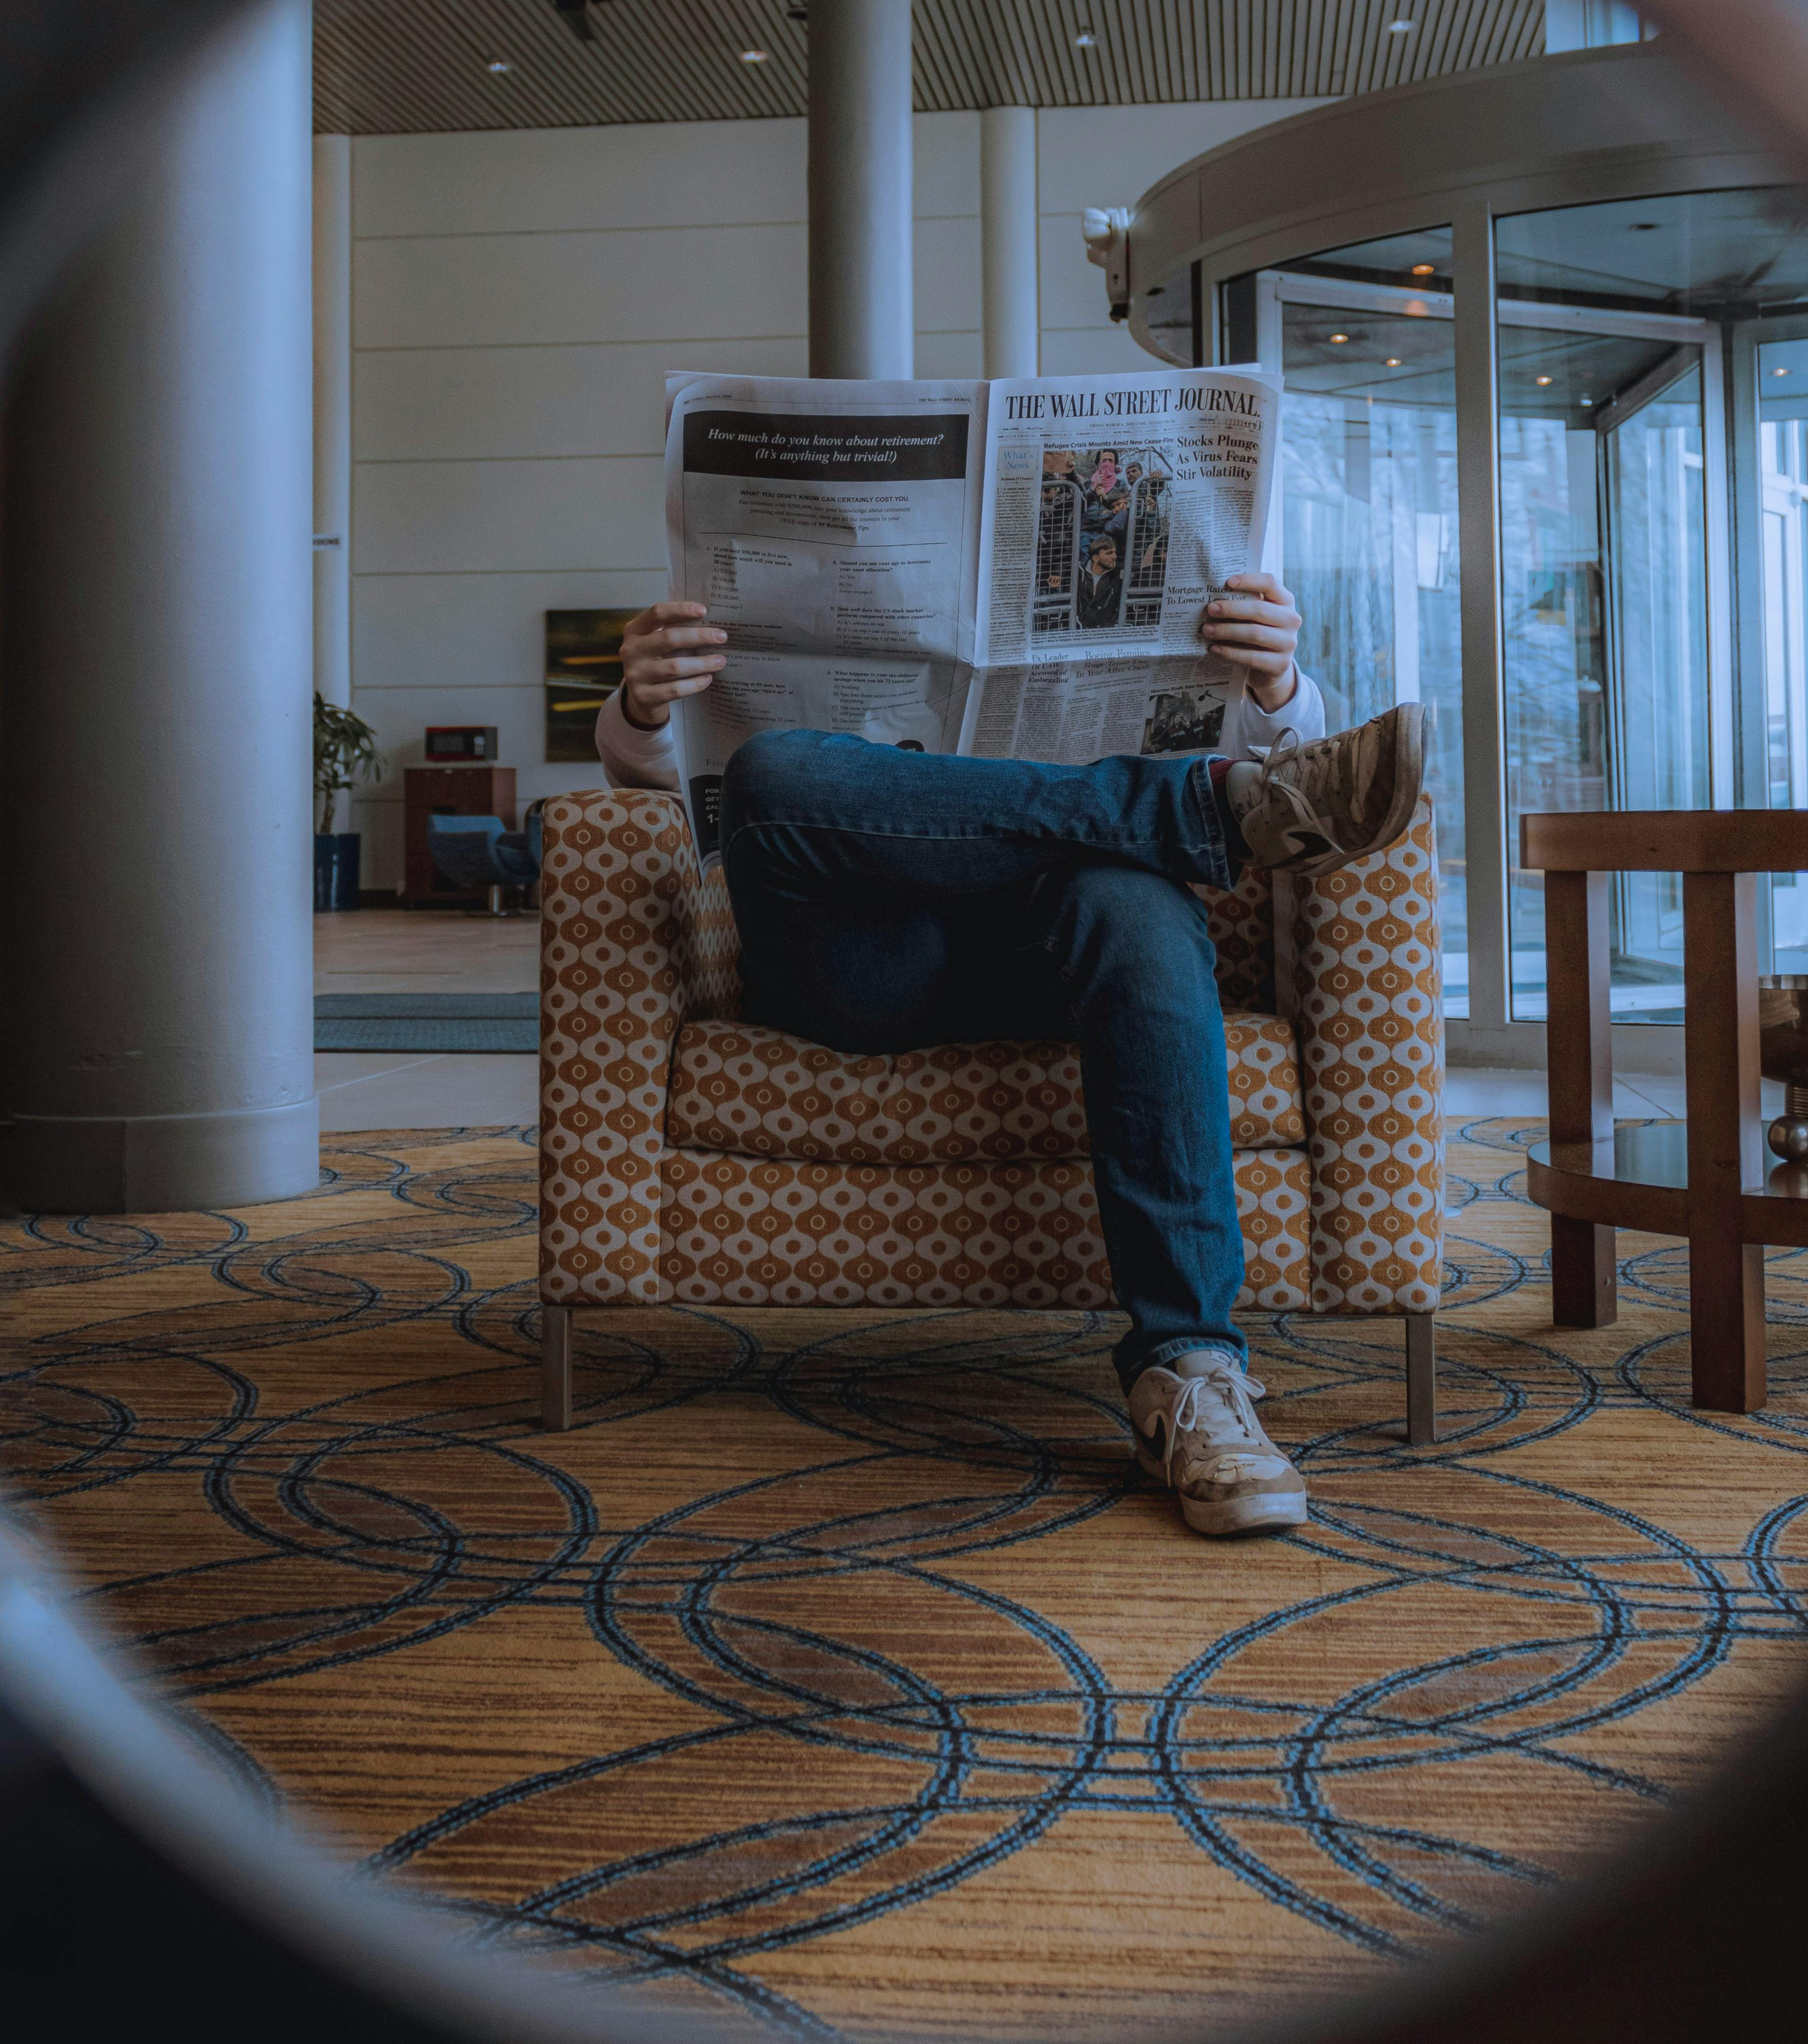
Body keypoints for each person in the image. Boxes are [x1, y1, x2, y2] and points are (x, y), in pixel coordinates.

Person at [594, 574, 1425, 1541]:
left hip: (1070, 949)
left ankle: (1194, 1370)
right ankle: (1196, 812)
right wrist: (644, 711)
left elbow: (1296, 792)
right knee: (771, 772)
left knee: (1134, 898)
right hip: (867, 956)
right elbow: (679, 809)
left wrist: (1277, 687)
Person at [1075, 534, 1123, 629]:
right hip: (1083, 631)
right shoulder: (1079, 575)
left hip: (1106, 631)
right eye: (1109, 553)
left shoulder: (1118, 577)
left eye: (1114, 552)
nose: (1114, 556)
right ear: (1096, 558)